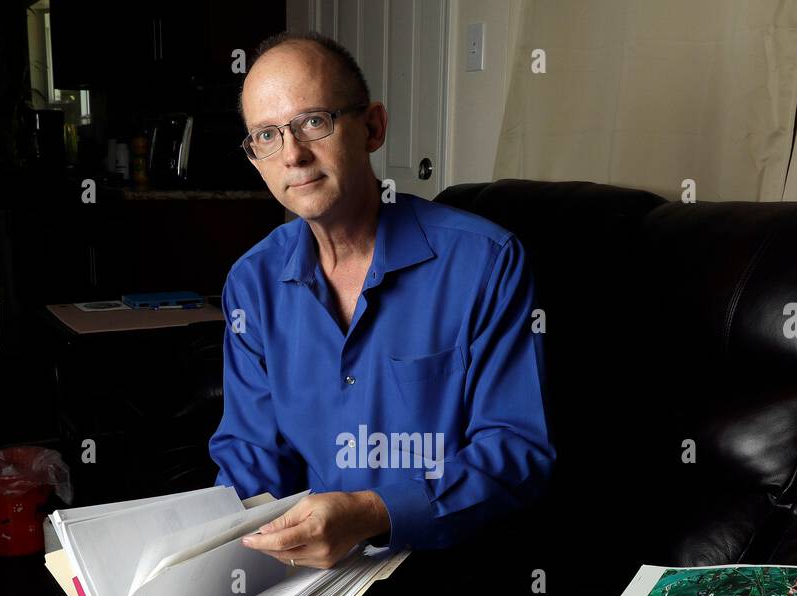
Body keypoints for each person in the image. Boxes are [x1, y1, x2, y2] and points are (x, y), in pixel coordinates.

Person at [211, 30, 555, 569]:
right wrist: (220, 549)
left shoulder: (485, 262)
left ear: (373, 127)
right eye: (267, 136)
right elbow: (251, 457)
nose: (293, 155)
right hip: (307, 575)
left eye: (313, 122)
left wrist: (375, 512)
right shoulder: (251, 283)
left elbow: (516, 452)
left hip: (447, 562)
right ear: (255, 157)